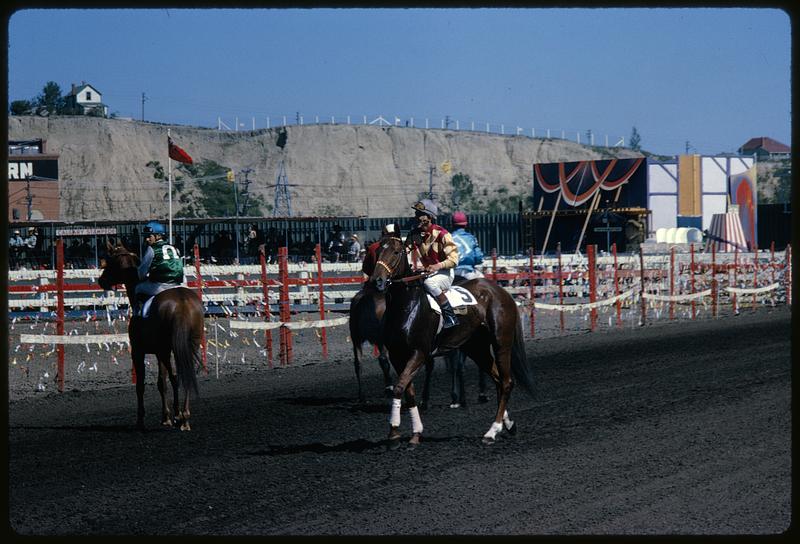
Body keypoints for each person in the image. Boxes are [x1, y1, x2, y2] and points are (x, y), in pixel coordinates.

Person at [446, 211, 488, 407]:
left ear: (452, 224)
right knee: (489, 295)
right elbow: (478, 257)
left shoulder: (447, 237)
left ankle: (446, 321)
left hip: (453, 276)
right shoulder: (471, 237)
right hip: (471, 275)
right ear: (466, 224)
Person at [405, 199, 459, 329]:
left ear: (429, 217)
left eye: (419, 214)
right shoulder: (413, 235)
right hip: (425, 273)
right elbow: (406, 253)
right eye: (416, 214)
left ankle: (450, 316)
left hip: (444, 273)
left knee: (429, 283)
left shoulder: (443, 234)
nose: (416, 217)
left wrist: (437, 266)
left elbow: (454, 260)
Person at [133, 221, 184, 317]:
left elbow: (142, 272)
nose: (147, 239)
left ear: (158, 236)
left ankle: (138, 316)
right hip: (178, 284)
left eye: (149, 236)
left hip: (160, 286)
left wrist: (144, 276)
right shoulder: (174, 247)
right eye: (146, 236)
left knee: (138, 288)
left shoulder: (152, 249)